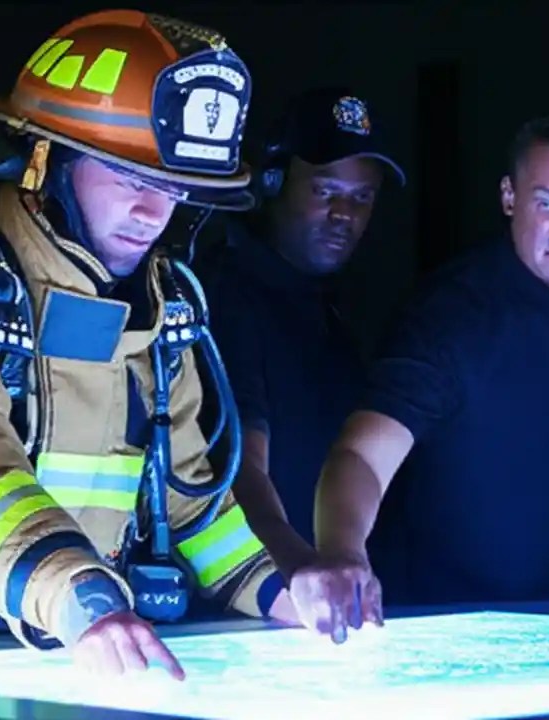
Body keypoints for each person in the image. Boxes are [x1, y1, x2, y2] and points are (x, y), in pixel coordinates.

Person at [0, 9, 296, 679]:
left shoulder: (158, 315)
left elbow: (191, 505)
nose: (153, 214)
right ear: (46, 159)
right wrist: (82, 596)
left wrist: (280, 588)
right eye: (131, 178)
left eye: (173, 190)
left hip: (47, 663)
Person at [289, 111, 549, 641]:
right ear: (509, 197)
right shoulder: (451, 316)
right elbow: (362, 453)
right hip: (456, 629)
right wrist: (342, 552)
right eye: (547, 203)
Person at [197, 87, 405, 581]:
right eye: (325, 192)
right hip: (258, 593)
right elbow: (238, 470)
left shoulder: (335, 305)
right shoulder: (229, 296)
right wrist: (305, 571)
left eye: (362, 197)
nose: (344, 214)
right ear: (273, 182)